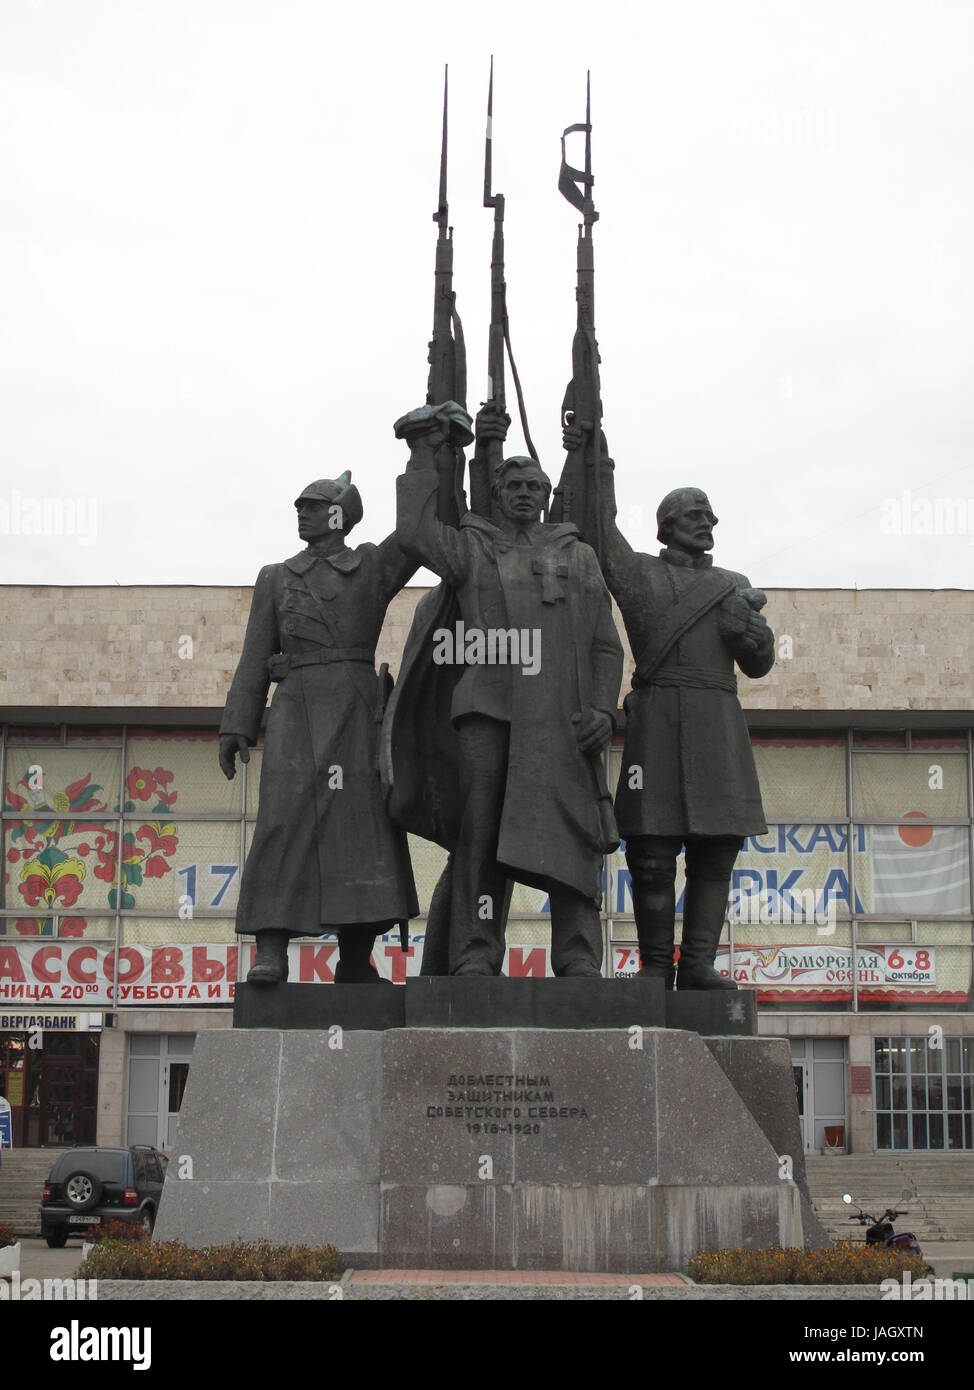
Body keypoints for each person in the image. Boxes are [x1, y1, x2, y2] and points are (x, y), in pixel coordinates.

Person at [395, 403, 623, 977]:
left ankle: (577, 956)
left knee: (573, 831)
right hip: (489, 711)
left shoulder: (579, 555)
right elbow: (416, 532)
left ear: (547, 495)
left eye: (534, 485)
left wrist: (602, 707)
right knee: (482, 835)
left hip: (565, 718)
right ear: (496, 494)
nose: (523, 492)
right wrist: (425, 451)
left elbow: (605, 645)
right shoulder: (473, 548)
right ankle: (477, 951)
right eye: (513, 484)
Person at [219, 472, 418, 984]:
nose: (302, 513)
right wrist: (237, 725)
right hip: (296, 709)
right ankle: (271, 949)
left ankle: (355, 957)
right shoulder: (277, 576)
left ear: (340, 514)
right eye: (300, 506)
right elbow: (254, 657)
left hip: (356, 707)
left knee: (362, 830)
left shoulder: (371, 566)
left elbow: (417, 530)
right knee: (283, 822)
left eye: (313, 505)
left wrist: (426, 452)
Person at [593, 448, 775, 989]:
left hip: (717, 720)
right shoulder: (638, 573)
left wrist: (750, 632)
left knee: (716, 851)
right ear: (667, 525)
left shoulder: (734, 582)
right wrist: (596, 457)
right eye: (696, 515)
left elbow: (759, 664)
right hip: (658, 718)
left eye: (711, 516)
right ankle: (653, 967)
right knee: (651, 853)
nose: (708, 523)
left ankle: (697, 965)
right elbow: (601, 532)